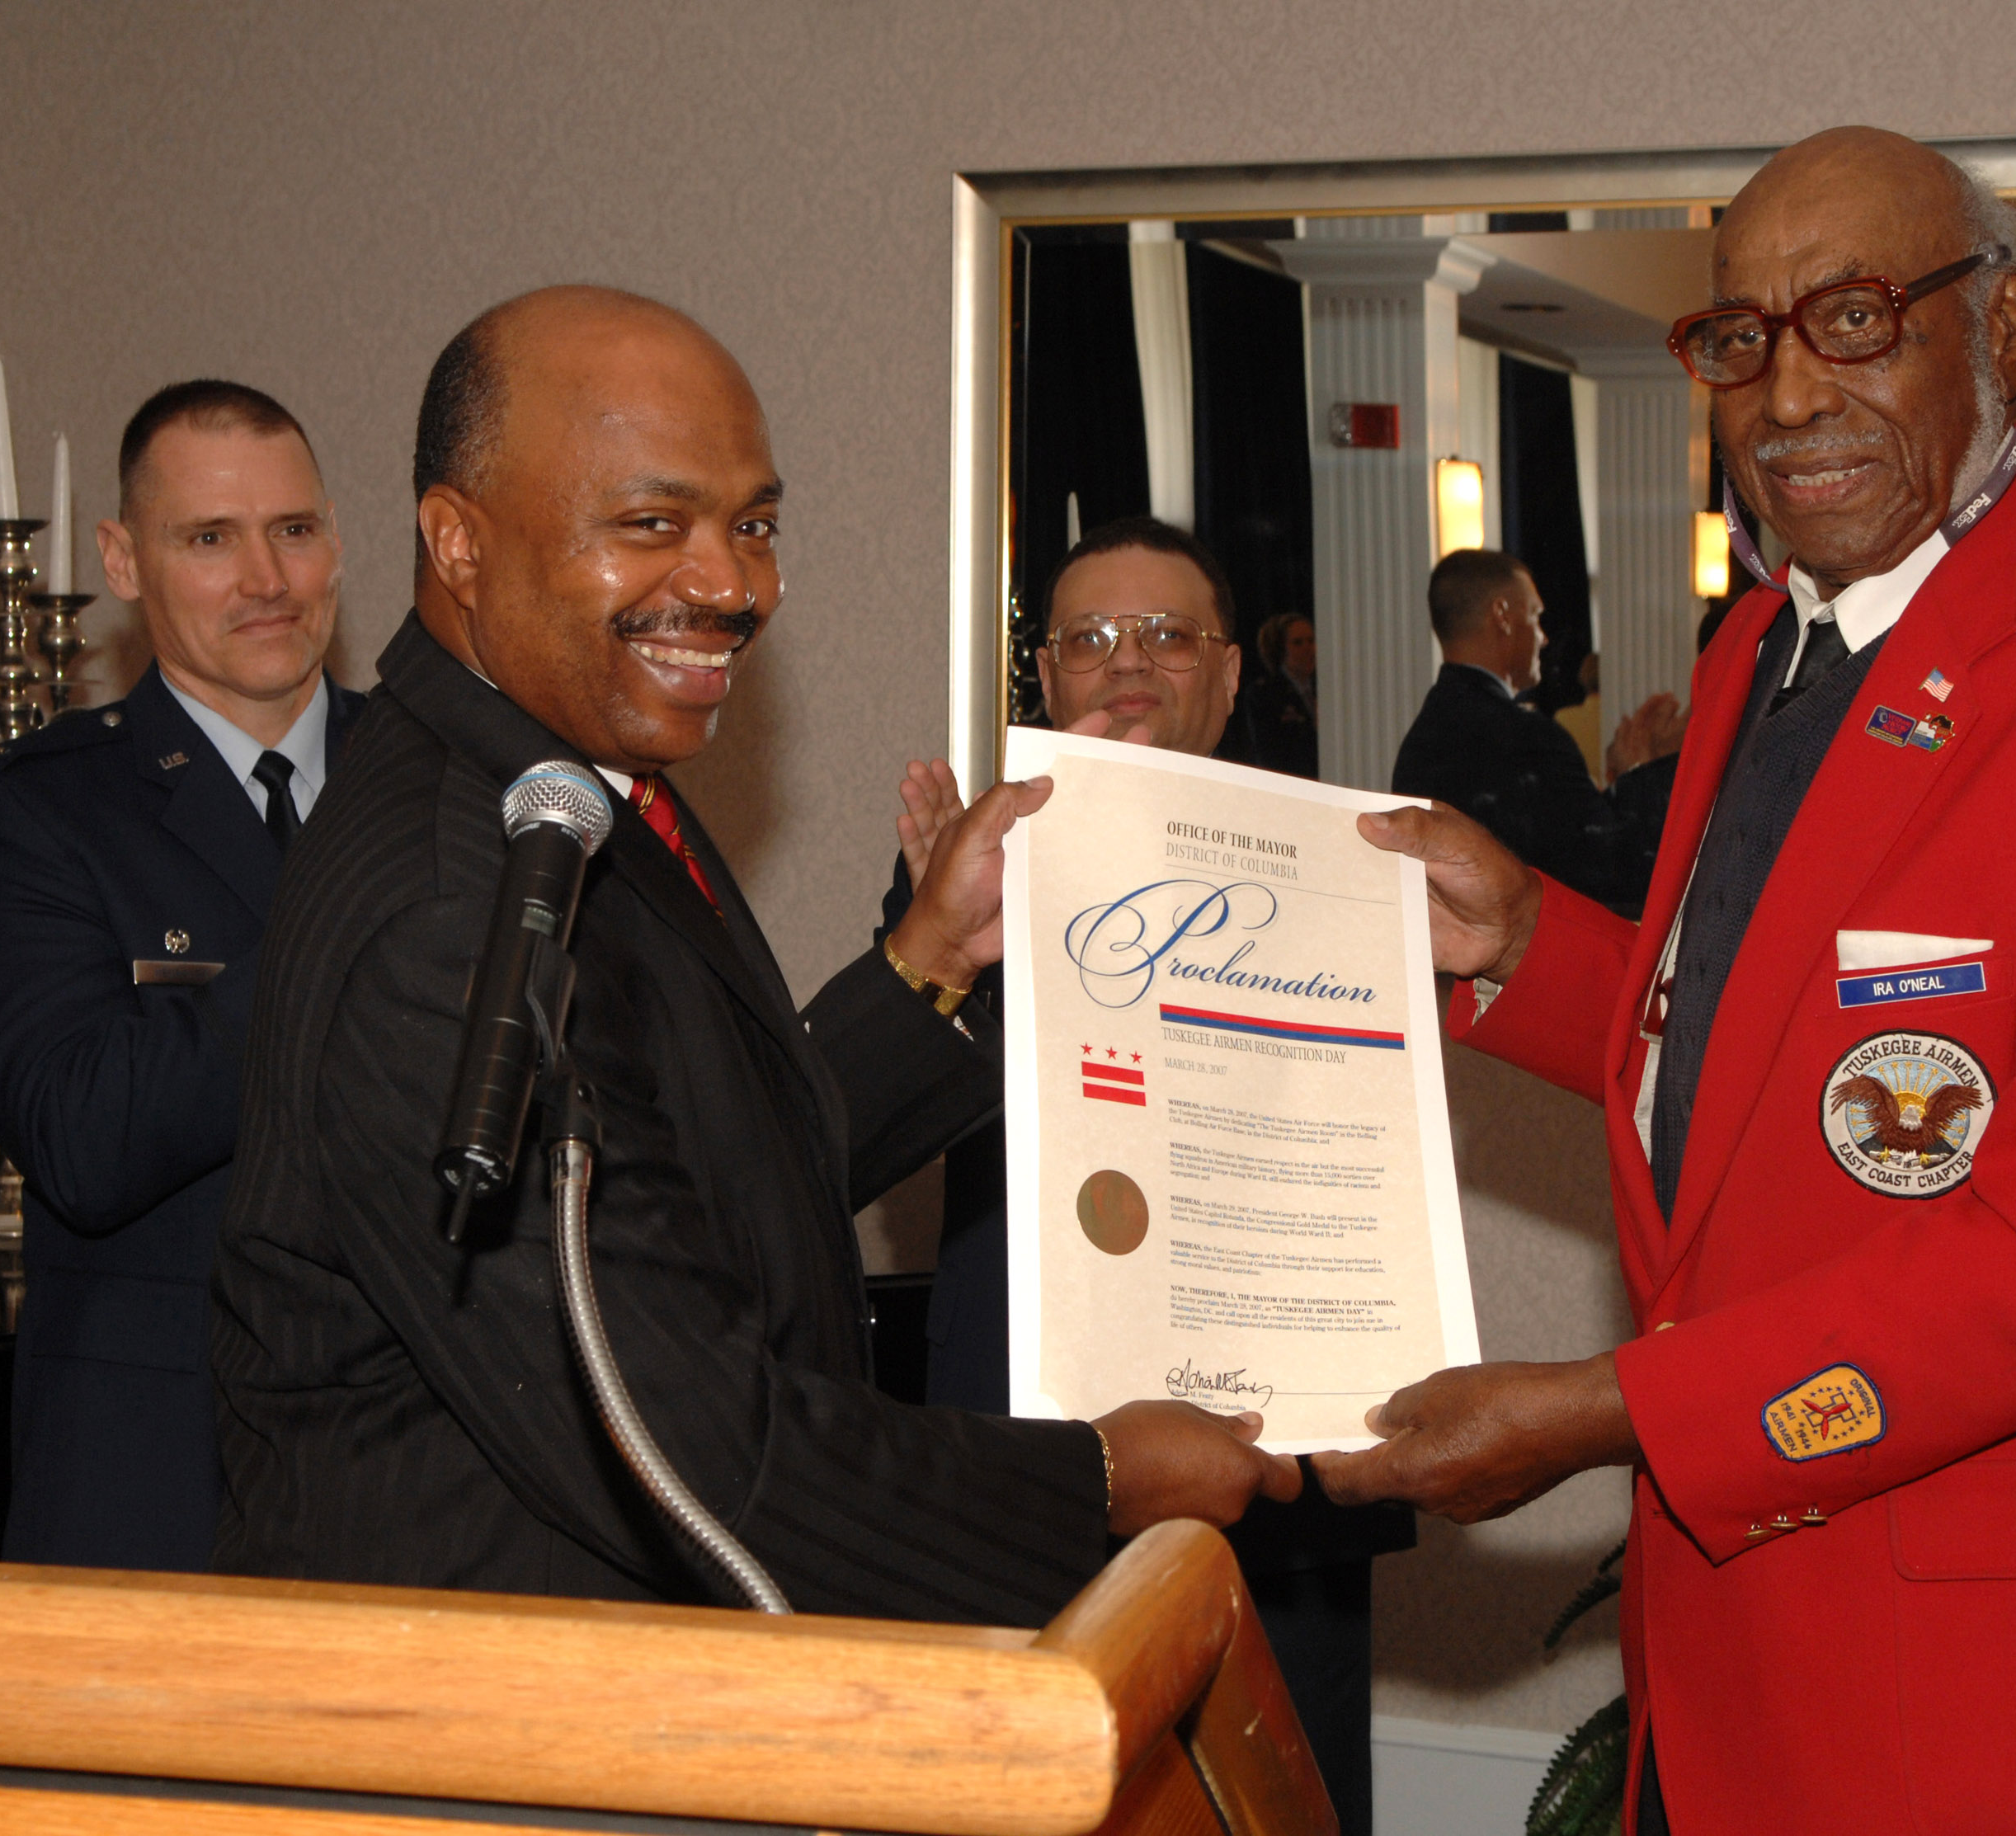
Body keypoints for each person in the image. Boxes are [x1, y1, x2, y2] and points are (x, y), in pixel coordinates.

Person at [1316, 129, 2016, 1835]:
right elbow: (1792, 1067)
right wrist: (1523, 945)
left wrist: (1604, 1414)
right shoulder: (1758, 650)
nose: (1788, 395)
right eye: (1741, 338)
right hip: (1730, 1688)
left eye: (1855, 320)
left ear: (2011, 331)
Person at [210, 289, 1294, 1622]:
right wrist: (1105, 1477)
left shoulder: (574, 785)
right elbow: (687, 1450)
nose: (730, 585)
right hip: (523, 1736)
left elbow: (704, 1177)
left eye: (755, 525)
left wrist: (926, 960)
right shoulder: (454, 903)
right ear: (459, 542)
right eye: (653, 524)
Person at [881, 517, 1410, 1832]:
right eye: (1090, 640)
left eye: (1169, 636)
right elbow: (881, 1119)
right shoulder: (963, 876)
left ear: (1231, 676)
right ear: (1046, 680)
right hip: (1026, 1449)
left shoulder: (1349, 880)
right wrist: (929, 932)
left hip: (1281, 1461)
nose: (1129, 666)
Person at [0, 380, 365, 1570]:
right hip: (169, 1497)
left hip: (437, 1498)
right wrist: (349, 934)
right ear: (123, 560)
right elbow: (85, 1134)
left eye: (294, 529)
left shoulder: (459, 790)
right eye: (209, 538)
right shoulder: (30, 814)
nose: (267, 579)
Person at [1391, 548, 1680, 917]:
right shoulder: (1526, 739)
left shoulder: (1422, 742)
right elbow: (1614, 871)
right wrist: (1643, 771)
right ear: (1503, 615)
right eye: (1535, 616)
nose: (1543, 638)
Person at [1239, 610, 1318, 779]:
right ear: (1280, 649)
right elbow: (1268, 752)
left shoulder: (1326, 687)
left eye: (1311, 641)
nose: (1308, 648)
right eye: (1298, 643)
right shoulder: (1265, 694)